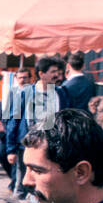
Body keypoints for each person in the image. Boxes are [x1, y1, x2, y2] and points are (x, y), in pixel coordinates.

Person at [6, 56, 63, 191]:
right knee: (21, 185)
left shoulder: (59, 93)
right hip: (26, 146)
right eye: (53, 71)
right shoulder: (26, 93)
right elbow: (14, 121)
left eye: (57, 71)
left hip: (50, 146)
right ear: (41, 74)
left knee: (44, 185)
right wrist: (11, 149)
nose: (56, 75)